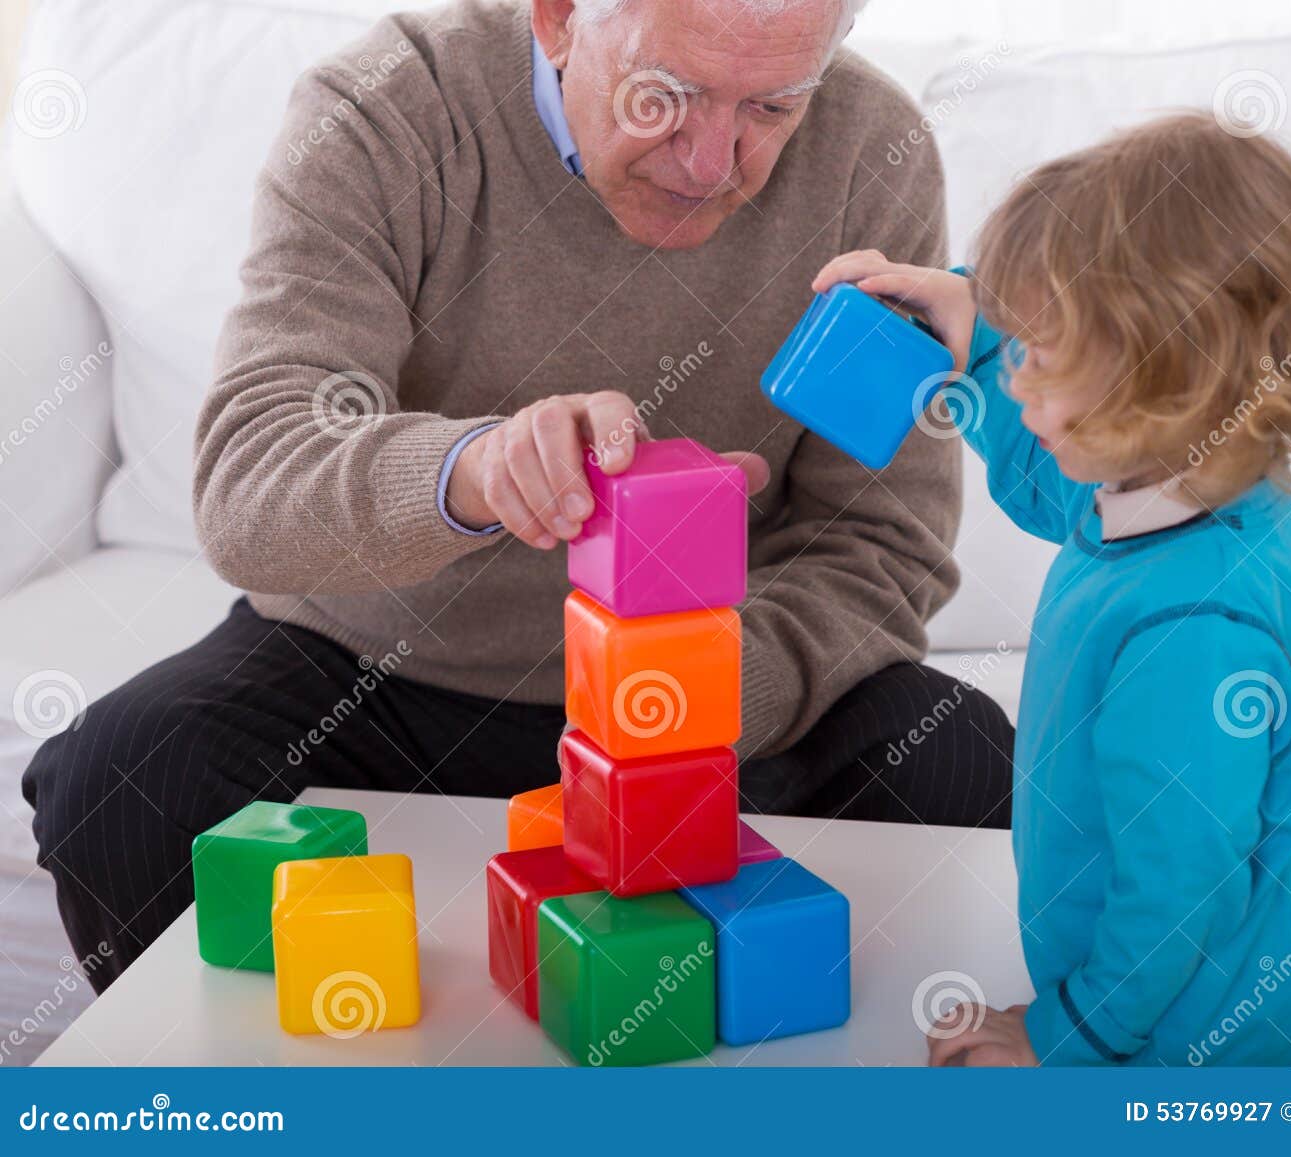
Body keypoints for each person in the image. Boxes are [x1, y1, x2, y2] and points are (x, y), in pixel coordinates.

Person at [23, 0, 1013, 993]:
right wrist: (475, 472)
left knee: (961, 762)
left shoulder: (871, 145)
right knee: (126, 777)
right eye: (665, 96)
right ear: (557, 20)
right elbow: (253, 483)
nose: (713, 163)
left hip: (709, 697)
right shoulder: (388, 111)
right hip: (375, 673)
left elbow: (879, 543)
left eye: (772, 106)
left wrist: (686, 695)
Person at [813, 111, 1291, 1066]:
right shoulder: (1199, 481)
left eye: (1039, 352)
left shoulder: (1195, 630)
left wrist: (1055, 1038)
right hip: (1160, 1016)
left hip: (1188, 1055)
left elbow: (1176, 899)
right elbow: (1054, 486)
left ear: (1168, 382)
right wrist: (974, 339)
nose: (1017, 375)